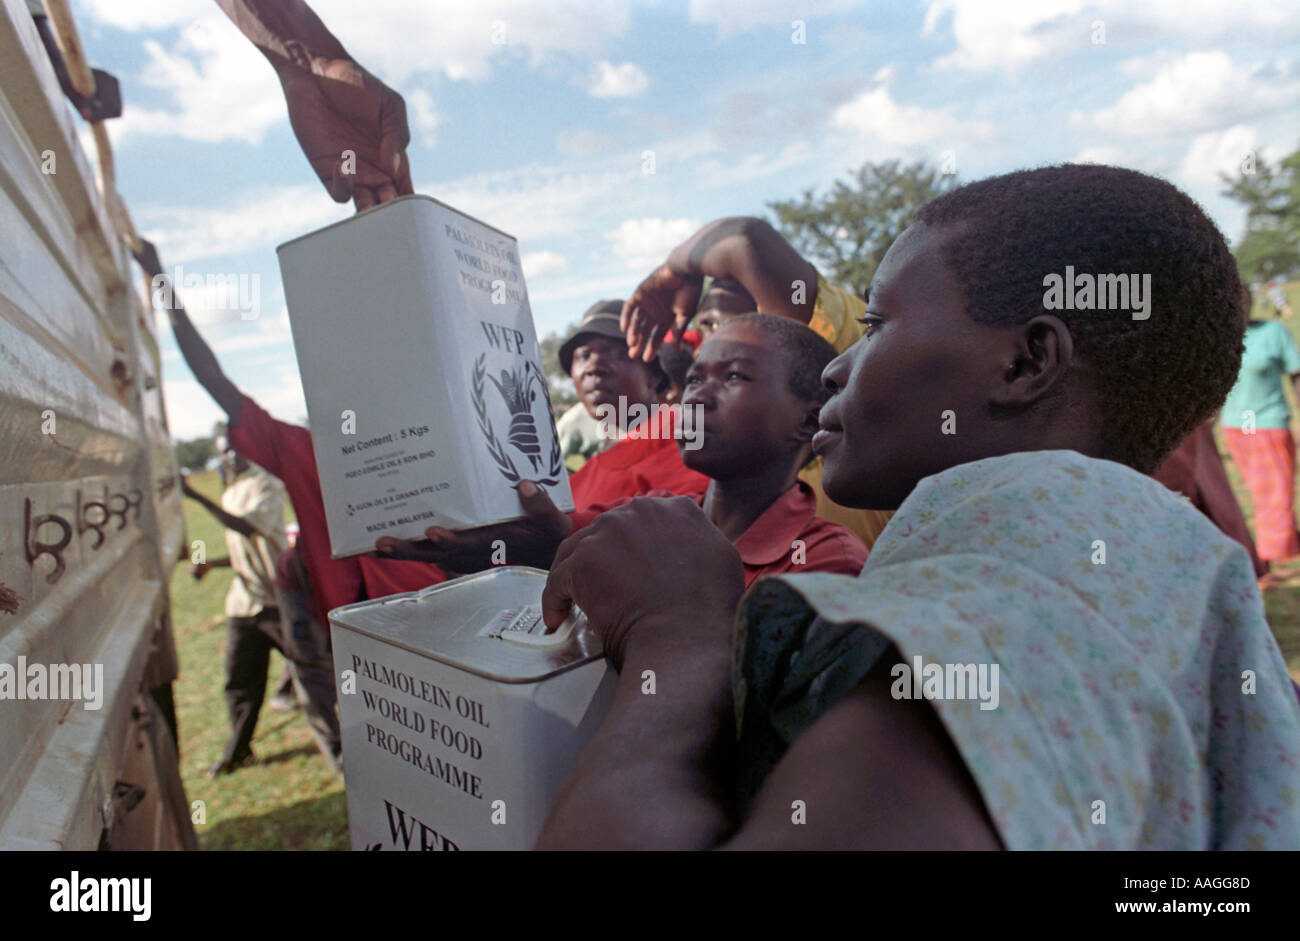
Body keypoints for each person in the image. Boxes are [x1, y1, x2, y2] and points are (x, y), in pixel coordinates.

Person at [533, 164, 1300, 850]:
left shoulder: (1016, 592)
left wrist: (679, 638)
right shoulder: (1135, 565)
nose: (836, 366)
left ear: (1028, 360)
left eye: (873, 325)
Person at [375, 315, 867, 584]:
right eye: (694, 378)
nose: (697, 395)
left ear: (808, 419)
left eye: (733, 376)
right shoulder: (651, 515)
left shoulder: (824, 562)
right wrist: (483, 541)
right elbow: (564, 531)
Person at [629, 225, 894, 549]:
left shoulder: (819, 347)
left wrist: (673, 271)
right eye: (706, 327)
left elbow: (743, 239)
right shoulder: (670, 512)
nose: (713, 342)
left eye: (728, 324)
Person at [182, 452, 289, 777]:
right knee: (238, 682)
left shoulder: (267, 484)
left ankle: (347, 744)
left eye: (234, 446)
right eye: (224, 449)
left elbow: (247, 527)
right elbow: (241, 551)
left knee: (318, 670)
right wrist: (211, 564)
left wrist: (196, 496)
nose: (230, 454)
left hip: (277, 601)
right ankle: (239, 751)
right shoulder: (231, 491)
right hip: (243, 604)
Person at [559, 300, 709, 508]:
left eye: (617, 354)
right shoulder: (581, 478)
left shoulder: (683, 433)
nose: (594, 367)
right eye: (583, 355)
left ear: (654, 375)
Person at [1219, 294, 1300, 587]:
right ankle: (1265, 561)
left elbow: (1296, 374)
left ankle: (1268, 559)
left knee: (1277, 491)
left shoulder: (1273, 333)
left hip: (1268, 424)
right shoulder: (1220, 337)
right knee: (1260, 492)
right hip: (1237, 428)